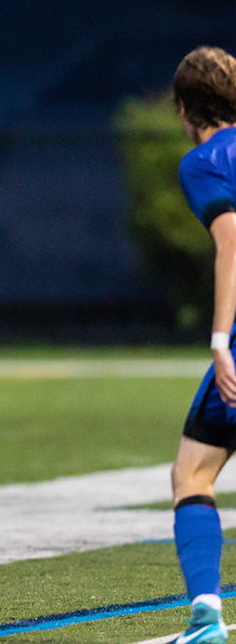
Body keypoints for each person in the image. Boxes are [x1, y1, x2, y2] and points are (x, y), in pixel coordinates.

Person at [170, 45, 236, 644]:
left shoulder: (203, 161)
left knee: (193, 473)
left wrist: (219, 341)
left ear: (185, 109)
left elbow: (231, 239)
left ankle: (207, 618)